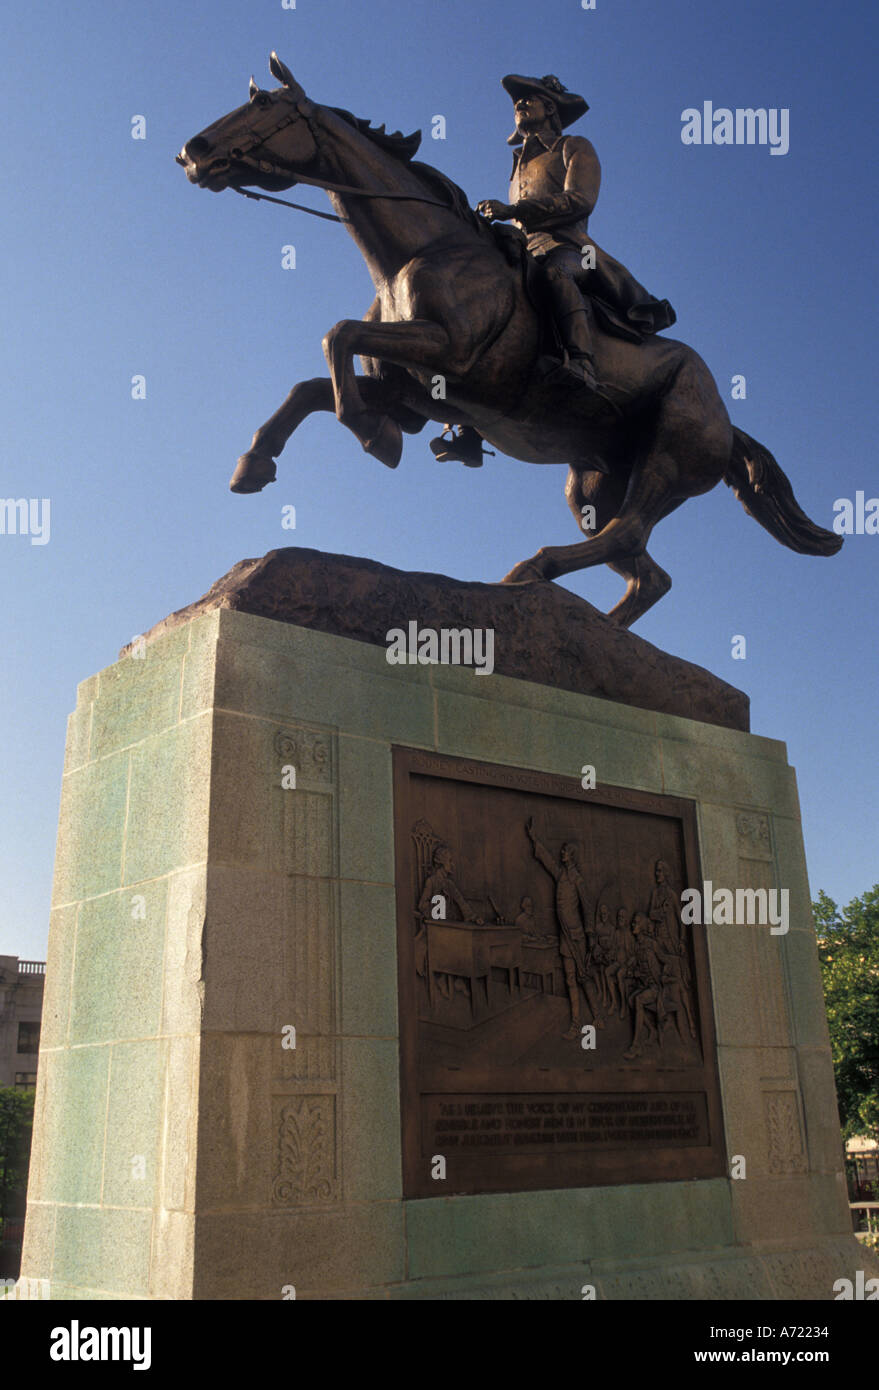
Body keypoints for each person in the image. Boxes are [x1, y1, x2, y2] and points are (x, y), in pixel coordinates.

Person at [431, 73, 675, 466]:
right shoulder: (518, 161)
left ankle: (581, 364)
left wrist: (516, 210)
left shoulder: (573, 147)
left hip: (570, 249)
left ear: (552, 109)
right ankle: (468, 429)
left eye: (530, 99)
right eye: (518, 101)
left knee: (554, 277)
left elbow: (580, 200)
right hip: (523, 249)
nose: (519, 105)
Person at [526, 817, 605, 1039]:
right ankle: (576, 1024)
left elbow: (588, 910)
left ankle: (597, 1015)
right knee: (570, 980)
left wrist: (589, 938)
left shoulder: (577, 880)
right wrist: (534, 839)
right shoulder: (560, 875)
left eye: (565, 852)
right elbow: (547, 861)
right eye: (561, 852)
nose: (561, 855)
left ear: (572, 856)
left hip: (577, 938)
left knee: (584, 978)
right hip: (564, 938)